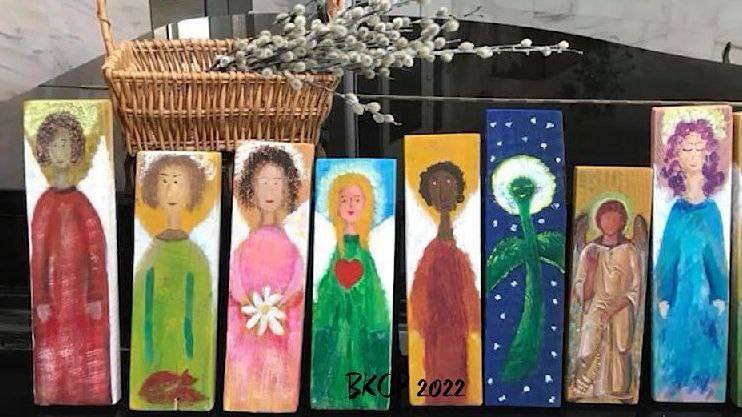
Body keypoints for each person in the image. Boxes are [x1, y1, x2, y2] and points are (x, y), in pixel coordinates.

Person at [30, 111, 111, 404]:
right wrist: (41, 297)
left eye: (65, 144)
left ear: (75, 148)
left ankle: (86, 396)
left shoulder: (82, 205)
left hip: (81, 300)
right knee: (54, 351)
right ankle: (56, 395)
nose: (60, 151)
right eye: (55, 144)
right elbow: (38, 256)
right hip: (54, 302)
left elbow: (96, 253)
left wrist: (96, 294)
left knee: (84, 350)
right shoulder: (43, 205)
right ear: (45, 150)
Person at [129, 155, 215, 410]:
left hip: (187, 357)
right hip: (153, 352)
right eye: (164, 182)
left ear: (192, 192)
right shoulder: (150, 256)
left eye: (178, 183)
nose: (170, 191)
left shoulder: (196, 258)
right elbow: (144, 313)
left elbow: (199, 315)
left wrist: (191, 350)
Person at [224, 146, 305, 412]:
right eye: (264, 182)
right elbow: (236, 286)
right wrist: (250, 304)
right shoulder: (242, 247)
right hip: (247, 341)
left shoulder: (292, 248)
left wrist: (278, 306)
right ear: (251, 188)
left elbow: (296, 286)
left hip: (281, 343)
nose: (270, 190)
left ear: (287, 189)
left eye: (276, 182)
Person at [654, 119, 728, 401]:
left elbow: (717, 257)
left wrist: (720, 293)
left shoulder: (712, 211)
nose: (694, 155)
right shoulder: (676, 211)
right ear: (676, 156)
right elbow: (667, 256)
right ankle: (678, 383)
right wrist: (664, 294)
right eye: (687, 149)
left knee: (705, 336)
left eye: (699, 149)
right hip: (680, 292)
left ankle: (702, 385)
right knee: (677, 337)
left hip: (705, 291)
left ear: (708, 154)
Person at [311, 173, 390, 410]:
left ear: (366, 205)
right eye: (344, 199)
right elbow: (327, 293)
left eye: (357, 199)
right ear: (335, 205)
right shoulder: (335, 251)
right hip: (336, 324)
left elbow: (373, 297)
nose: (350, 205)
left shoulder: (365, 256)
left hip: (361, 326)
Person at [408, 161, 481, 405]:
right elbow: (420, 293)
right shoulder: (428, 250)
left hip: (456, 330)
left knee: (457, 368)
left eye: (448, 182)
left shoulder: (462, 247)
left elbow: (468, 291)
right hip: (435, 331)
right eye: (435, 183)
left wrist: (470, 320)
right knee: (437, 370)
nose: (442, 190)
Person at [569, 200, 643, 402]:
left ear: (622, 222)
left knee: (620, 348)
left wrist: (614, 309)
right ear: (599, 221)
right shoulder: (590, 250)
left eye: (615, 219)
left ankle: (618, 392)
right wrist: (592, 269)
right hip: (596, 305)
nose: (610, 223)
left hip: (622, 307)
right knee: (589, 345)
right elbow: (583, 294)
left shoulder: (630, 251)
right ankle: (585, 389)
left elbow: (635, 289)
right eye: (606, 218)